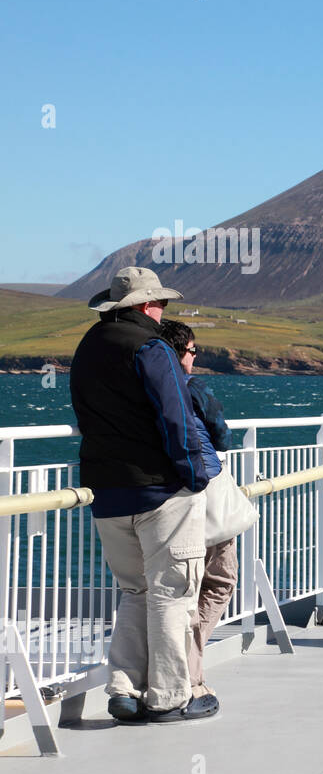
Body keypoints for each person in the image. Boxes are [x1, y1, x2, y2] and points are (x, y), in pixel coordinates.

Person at [68, 267, 216, 722]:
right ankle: (170, 698)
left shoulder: (87, 347)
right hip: (160, 491)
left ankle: (124, 691)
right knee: (172, 594)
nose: (162, 312)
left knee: (134, 591)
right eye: (160, 304)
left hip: (107, 491)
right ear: (146, 305)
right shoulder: (152, 348)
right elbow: (176, 417)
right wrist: (195, 474)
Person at [160, 319, 239, 705]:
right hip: (202, 490)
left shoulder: (145, 390)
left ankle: (181, 669)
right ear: (180, 353)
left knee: (178, 588)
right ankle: (190, 677)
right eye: (193, 350)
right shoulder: (192, 387)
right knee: (219, 580)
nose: (195, 357)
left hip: (160, 497)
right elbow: (222, 433)